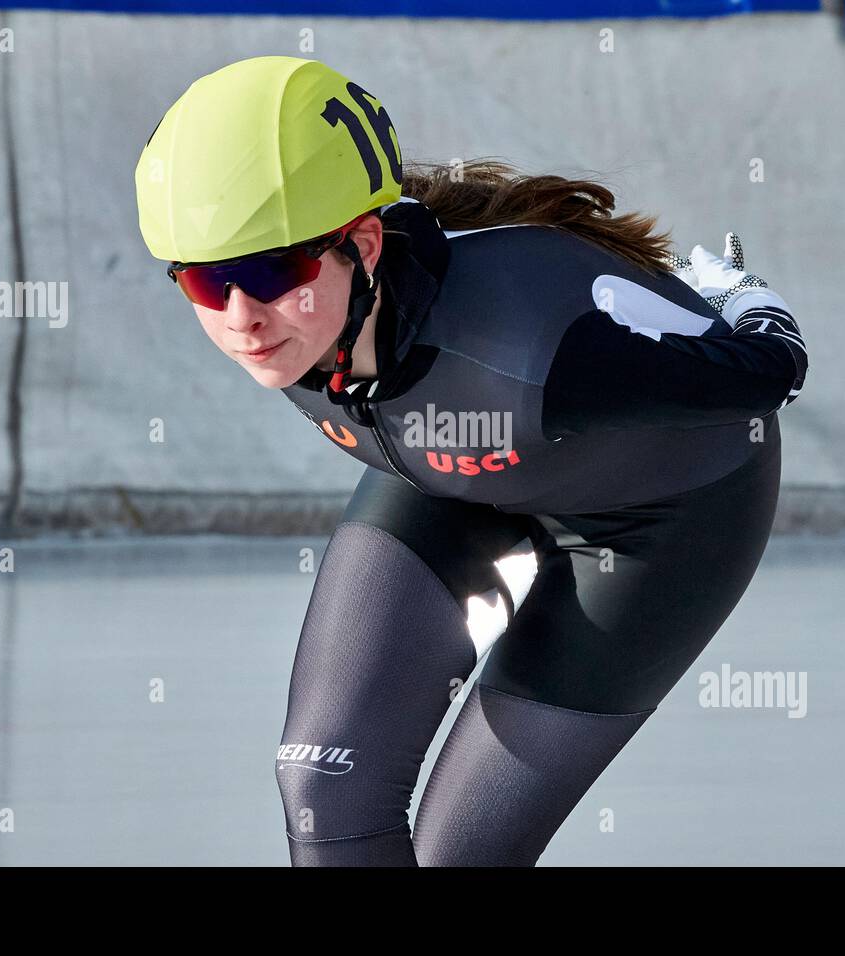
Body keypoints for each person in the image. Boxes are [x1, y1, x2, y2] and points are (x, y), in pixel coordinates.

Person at [135, 55, 808, 866]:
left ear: (364, 245)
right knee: (326, 790)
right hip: (452, 470)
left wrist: (744, 302)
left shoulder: (537, 354)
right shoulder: (305, 316)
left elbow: (771, 375)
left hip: (661, 523)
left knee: (464, 853)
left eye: (274, 271)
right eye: (206, 284)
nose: (241, 317)